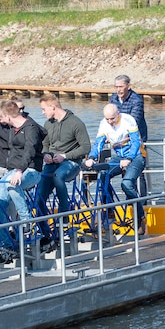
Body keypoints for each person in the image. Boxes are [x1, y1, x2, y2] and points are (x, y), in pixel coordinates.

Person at [34, 93, 93, 238]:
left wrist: (65, 156)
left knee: (58, 176)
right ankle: (44, 231)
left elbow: (86, 147)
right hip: (52, 162)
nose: (42, 112)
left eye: (44, 109)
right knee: (39, 196)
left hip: (71, 162)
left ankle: (64, 215)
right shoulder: (48, 124)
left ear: (53, 107)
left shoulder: (75, 123)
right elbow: (45, 145)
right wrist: (45, 154)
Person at [0, 100, 45, 238]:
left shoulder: (30, 127)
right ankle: (5, 240)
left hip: (31, 170)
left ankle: (26, 221)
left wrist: (20, 170)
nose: (2, 122)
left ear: (8, 116)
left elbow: (29, 151)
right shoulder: (13, 130)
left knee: (11, 183)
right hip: (13, 171)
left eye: (3, 118)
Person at [88, 103, 146, 207]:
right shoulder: (103, 124)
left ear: (118, 114)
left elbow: (136, 142)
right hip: (120, 157)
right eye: (107, 119)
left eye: (112, 119)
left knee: (126, 184)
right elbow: (98, 143)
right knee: (103, 176)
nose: (110, 122)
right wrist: (92, 157)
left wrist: (129, 158)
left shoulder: (128, 120)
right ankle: (109, 208)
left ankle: (140, 214)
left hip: (136, 156)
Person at [109, 74, 148, 142]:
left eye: (121, 87)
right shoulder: (113, 98)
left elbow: (133, 121)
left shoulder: (136, 100)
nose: (118, 90)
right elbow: (110, 117)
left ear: (129, 86)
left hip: (136, 139)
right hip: (119, 139)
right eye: (116, 87)